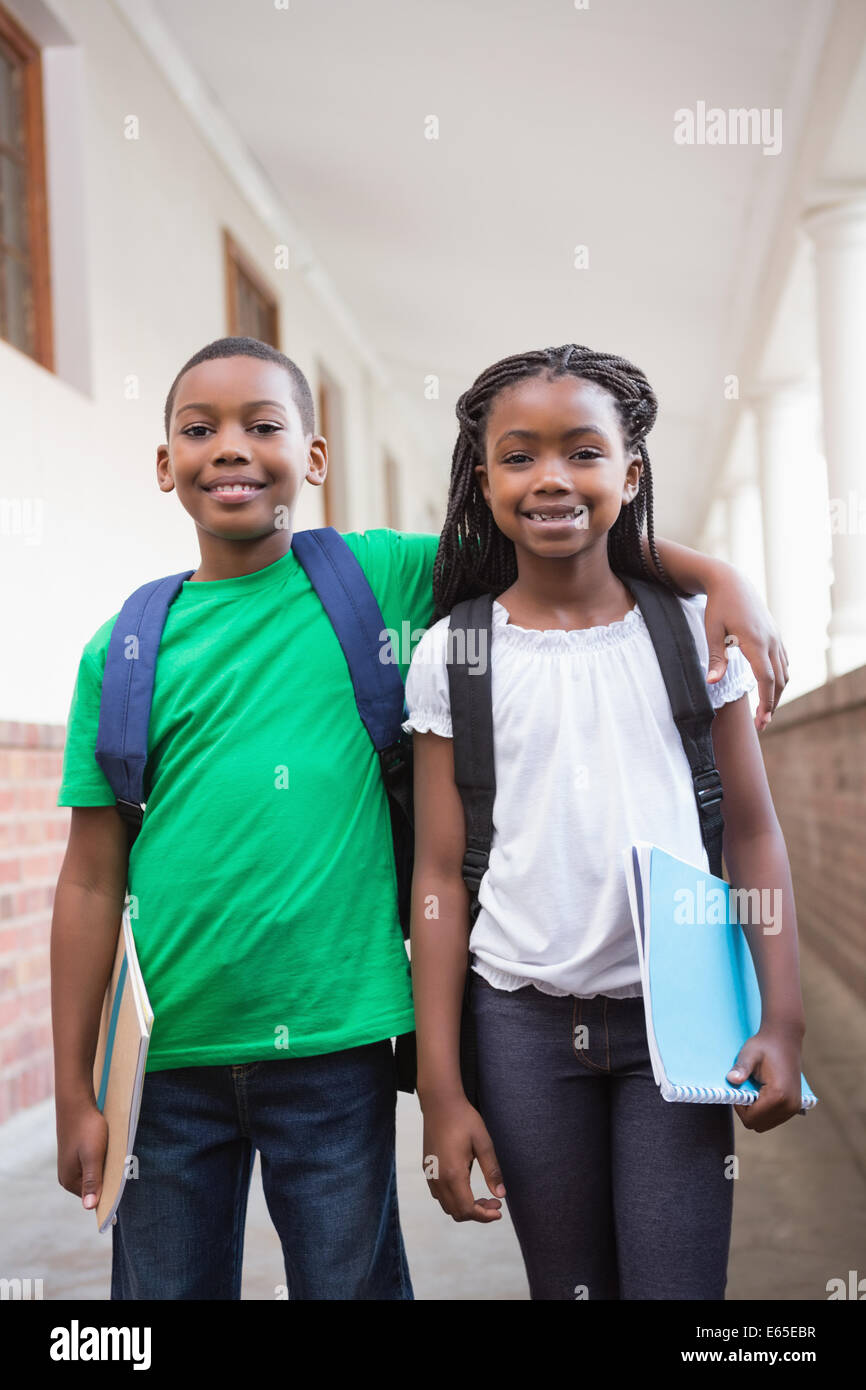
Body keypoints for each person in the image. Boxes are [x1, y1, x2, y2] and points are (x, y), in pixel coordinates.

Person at [52, 335, 788, 1301]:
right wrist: (74, 1087)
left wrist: (716, 575)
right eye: (201, 429)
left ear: (314, 460)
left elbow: (551, 520)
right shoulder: (125, 650)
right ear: (165, 464)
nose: (232, 448)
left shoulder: (377, 581)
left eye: (263, 425)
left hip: (337, 1047)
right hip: (166, 1065)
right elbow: (89, 879)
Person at [405, 344, 806, 1300]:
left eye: (583, 452)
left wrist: (782, 1018)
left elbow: (752, 833)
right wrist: (441, 1088)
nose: (551, 477)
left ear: (630, 474)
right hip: (521, 1029)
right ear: (484, 477)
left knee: (678, 1285)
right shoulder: (452, 653)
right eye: (519, 455)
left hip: (679, 1019)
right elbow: (434, 874)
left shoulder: (693, 637)